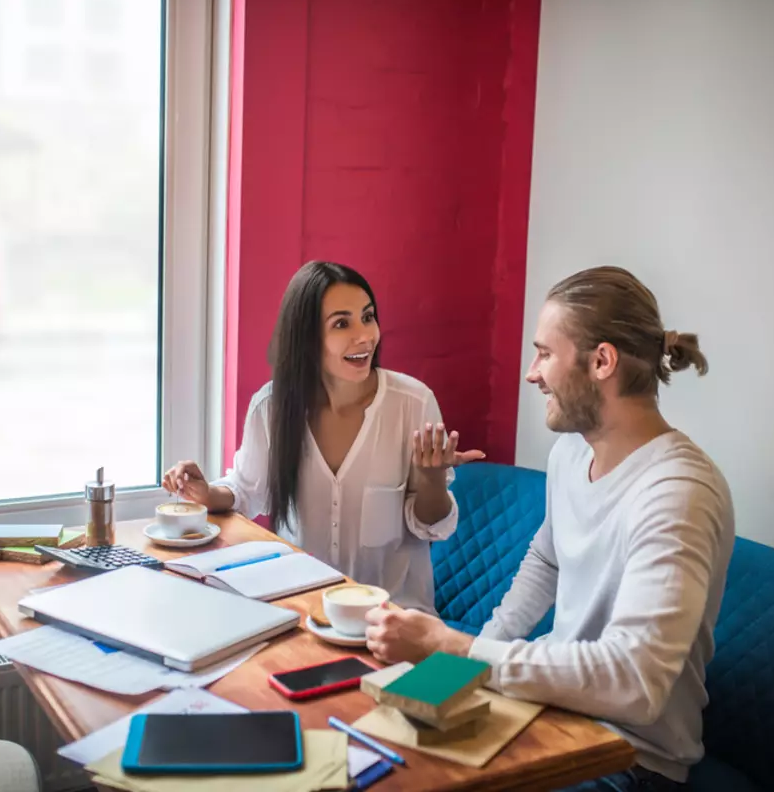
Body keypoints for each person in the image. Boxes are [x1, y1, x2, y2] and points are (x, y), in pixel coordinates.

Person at [365, 266, 735, 790]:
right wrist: (460, 670)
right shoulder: (570, 454)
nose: (530, 372)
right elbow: (547, 561)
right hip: (554, 713)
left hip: (630, 760)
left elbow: (634, 682)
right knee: (379, 755)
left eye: (544, 352)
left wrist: (459, 649)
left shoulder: (679, 492)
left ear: (601, 361)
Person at [162, 261, 484, 612]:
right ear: (307, 337)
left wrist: (433, 480)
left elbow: (431, 528)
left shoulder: (414, 403)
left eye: (368, 317)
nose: (365, 336)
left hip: (393, 620)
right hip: (297, 612)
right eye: (342, 324)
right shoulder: (271, 407)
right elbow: (246, 491)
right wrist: (205, 492)